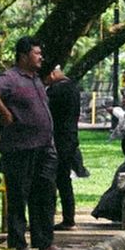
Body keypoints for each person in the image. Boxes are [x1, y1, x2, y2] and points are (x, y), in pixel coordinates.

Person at [0, 35, 62, 250]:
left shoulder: (36, 78)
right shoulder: (10, 77)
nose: (40, 57)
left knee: (45, 194)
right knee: (19, 196)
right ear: (24, 55)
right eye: (36, 53)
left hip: (44, 147)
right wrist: (6, 113)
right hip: (20, 148)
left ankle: (45, 243)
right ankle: (20, 245)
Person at [40, 63, 85, 231]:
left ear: (51, 74)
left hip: (57, 140)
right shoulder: (73, 88)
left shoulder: (55, 91)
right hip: (70, 138)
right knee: (64, 180)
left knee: (50, 181)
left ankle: (47, 219)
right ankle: (68, 218)